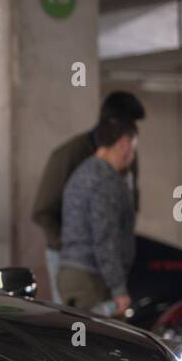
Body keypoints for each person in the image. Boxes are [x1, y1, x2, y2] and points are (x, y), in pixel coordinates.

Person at [33, 91, 145, 302]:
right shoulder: (72, 156)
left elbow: (128, 207)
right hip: (76, 262)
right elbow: (43, 211)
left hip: (92, 265)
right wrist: (71, 248)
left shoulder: (117, 164)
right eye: (128, 128)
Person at [57, 115, 139, 314]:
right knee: (102, 334)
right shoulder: (106, 179)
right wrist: (119, 289)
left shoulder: (82, 172)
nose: (133, 155)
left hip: (72, 273)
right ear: (123, 143)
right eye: (133, 147)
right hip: (90, 279)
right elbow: (105, 236)